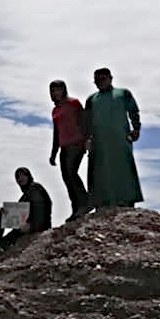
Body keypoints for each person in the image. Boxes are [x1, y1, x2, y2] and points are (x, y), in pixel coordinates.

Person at [83, 67, 144, 209]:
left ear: (110, 78)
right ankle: (101, 204)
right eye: (97, 80)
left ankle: (127, 202)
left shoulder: (123, 93)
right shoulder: (91, 99)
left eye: (103, 79)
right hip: (99, 142)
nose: (100, 82)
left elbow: (133, 111)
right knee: (99, 172)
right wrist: (87, 139)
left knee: (124, 170)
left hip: (120, 140)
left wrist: (136, 129)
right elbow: (86, 121)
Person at [48, 80, 90, 222]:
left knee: (71, 173)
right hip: (64, 147)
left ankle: (85, 204)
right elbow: (56, 132)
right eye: (52, 91)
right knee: (67, 178)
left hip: (77, 144)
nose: (54, 93)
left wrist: (87, 140)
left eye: (57, 90)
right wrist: (53, 153)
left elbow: (84, 121)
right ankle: (76, 208)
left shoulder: (74, 103)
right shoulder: (55, 111)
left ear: (64, 90)